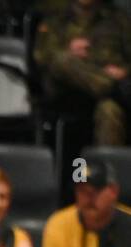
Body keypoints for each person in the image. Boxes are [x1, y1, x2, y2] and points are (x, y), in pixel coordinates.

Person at [33, 0, 131, 147]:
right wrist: (68, 49)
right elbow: (41, 59)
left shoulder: (118, 19)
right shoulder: (56, 19)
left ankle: (108, 168)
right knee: (62, 60)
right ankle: (114, 89)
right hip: (68, 92)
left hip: (106, 96)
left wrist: (123, 71)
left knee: (109, 110)